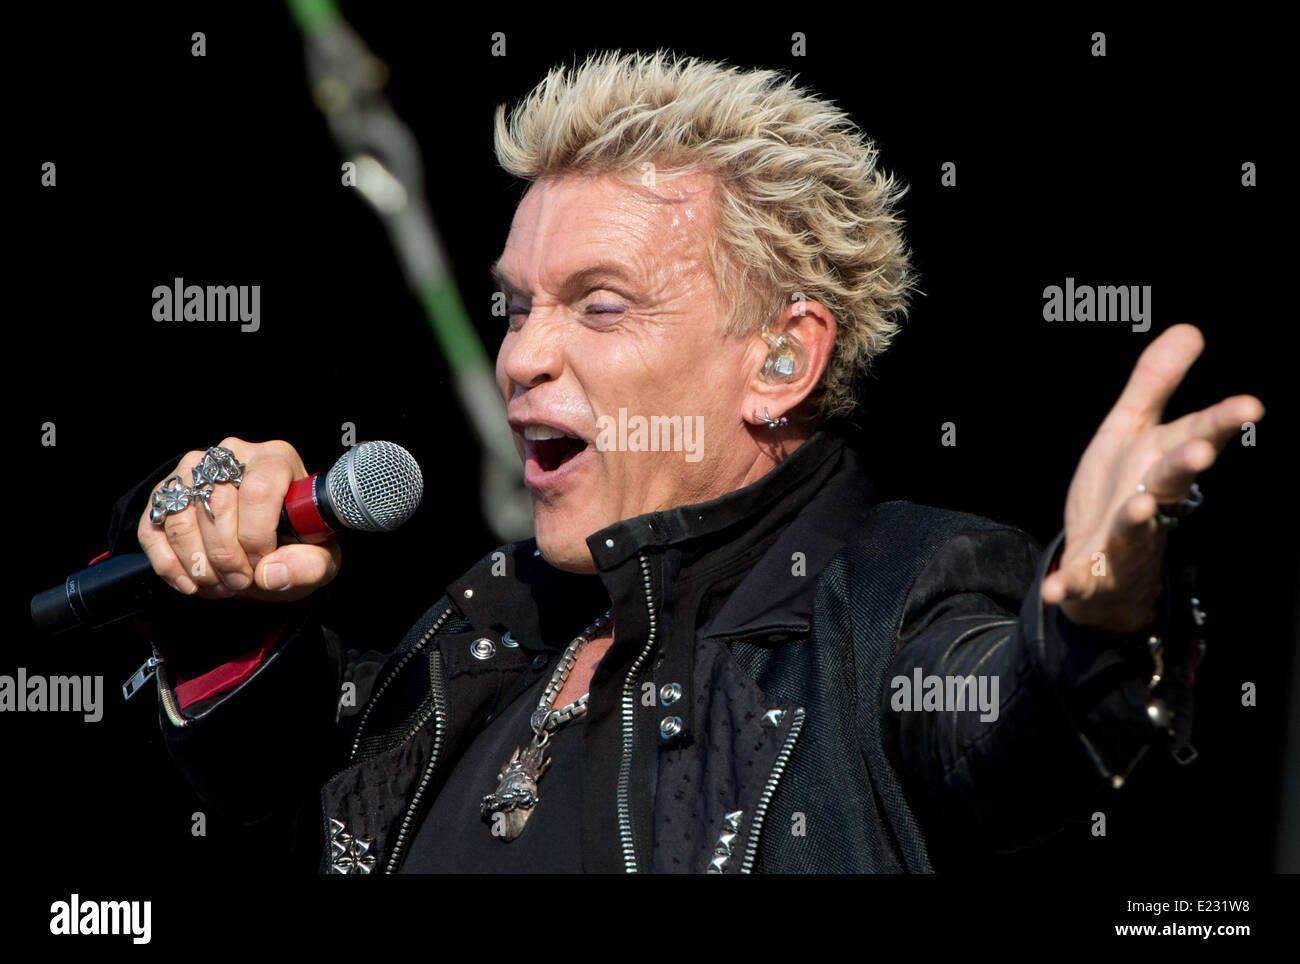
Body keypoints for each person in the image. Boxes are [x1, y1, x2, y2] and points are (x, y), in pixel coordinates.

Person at [114, 50, 1261, 873]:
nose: (523, 355)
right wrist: (216, 593)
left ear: (778, 359)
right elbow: (266, 803)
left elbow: (1006, 726)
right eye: (513, 305)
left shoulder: (899, 590)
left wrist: (1094, 625)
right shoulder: (483, 625)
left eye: (597, 306)